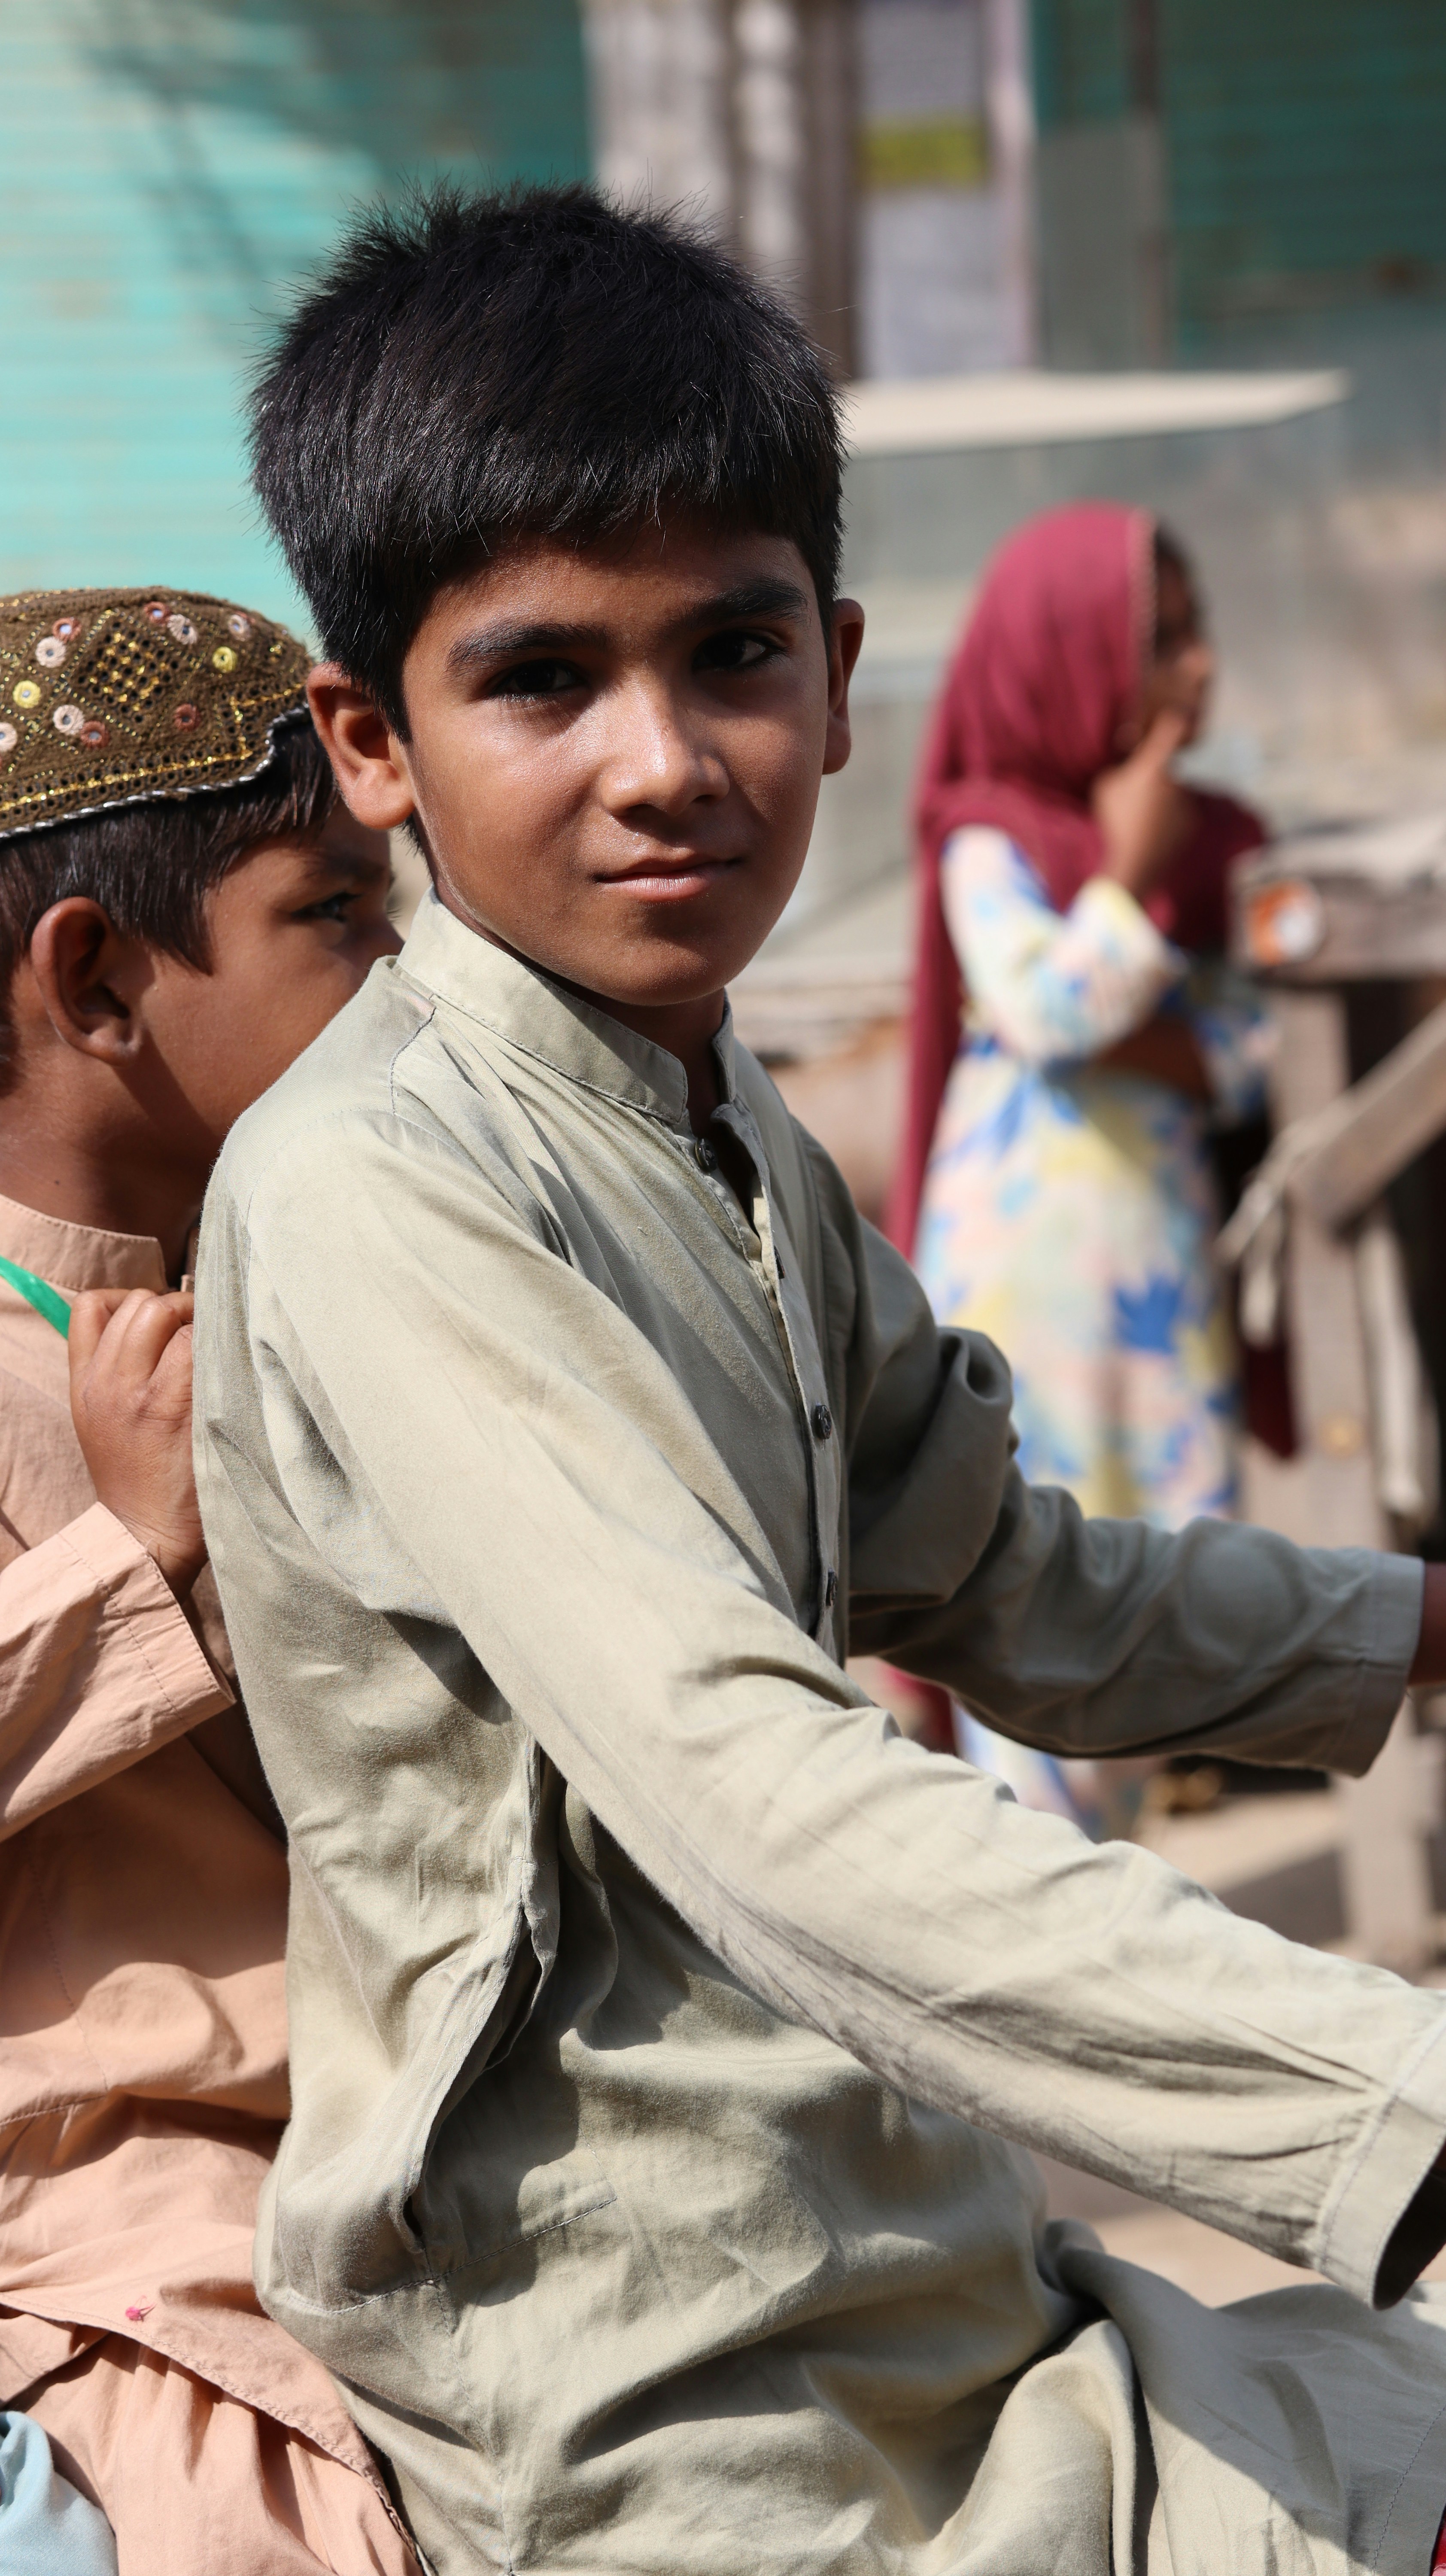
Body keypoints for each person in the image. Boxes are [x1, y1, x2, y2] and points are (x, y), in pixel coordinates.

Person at [196, 188, 1446, 2576]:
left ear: (841, 671)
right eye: (542, 681)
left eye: (730, 652)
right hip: (661, 2372)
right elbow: (758, 1793)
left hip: (937, 2263)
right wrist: (1395, 2106)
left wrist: (1401, 1628)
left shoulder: (718, 1113)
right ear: (373, 745)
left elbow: (1008, 1580)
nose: (664, 763)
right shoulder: (387, 1183)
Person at [0, 588, 416, 2574]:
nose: (406, 977)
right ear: (92, 985)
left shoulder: (267, 1287)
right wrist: (122, 1557)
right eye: (335, 918)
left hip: (365, 2192)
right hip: (118, 2291)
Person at [886, 504, 1272, 1832]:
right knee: (1031, 1595)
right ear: (1066, 659)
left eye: (1197, 631)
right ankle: (1064, 1930)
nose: (1202, 668)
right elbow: (1049, 1011)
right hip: (1027, 1290)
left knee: (1163, 1582)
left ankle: (1121, 1906)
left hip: (1158, 1288)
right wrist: (1132, 876)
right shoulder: (989, 838)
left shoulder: (1222, 843)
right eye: (1161, 641)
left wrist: (1148, 999)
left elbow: (1254, 1050)